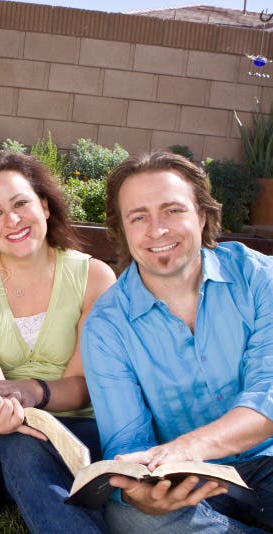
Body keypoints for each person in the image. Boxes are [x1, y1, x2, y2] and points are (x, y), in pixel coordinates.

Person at [81, 151, 273, 533]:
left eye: (172, 210)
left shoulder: (258, 278)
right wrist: (143, 494)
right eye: (139, 217)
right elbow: (128, 441)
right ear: (121, 229)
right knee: (130, 517)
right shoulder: (105, 326)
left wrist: (187, 448)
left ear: (202, 216)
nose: (157, 230)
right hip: (188, 484)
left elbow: (268, 397)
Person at [0, 151, 115, 533]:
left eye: (21, 203)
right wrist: (7, 411)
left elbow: (83, 387)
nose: (13, 220)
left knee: (33, 450)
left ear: (45, 205)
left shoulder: (94, 277)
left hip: (79, 427)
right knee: (20, 445)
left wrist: (34, 393)